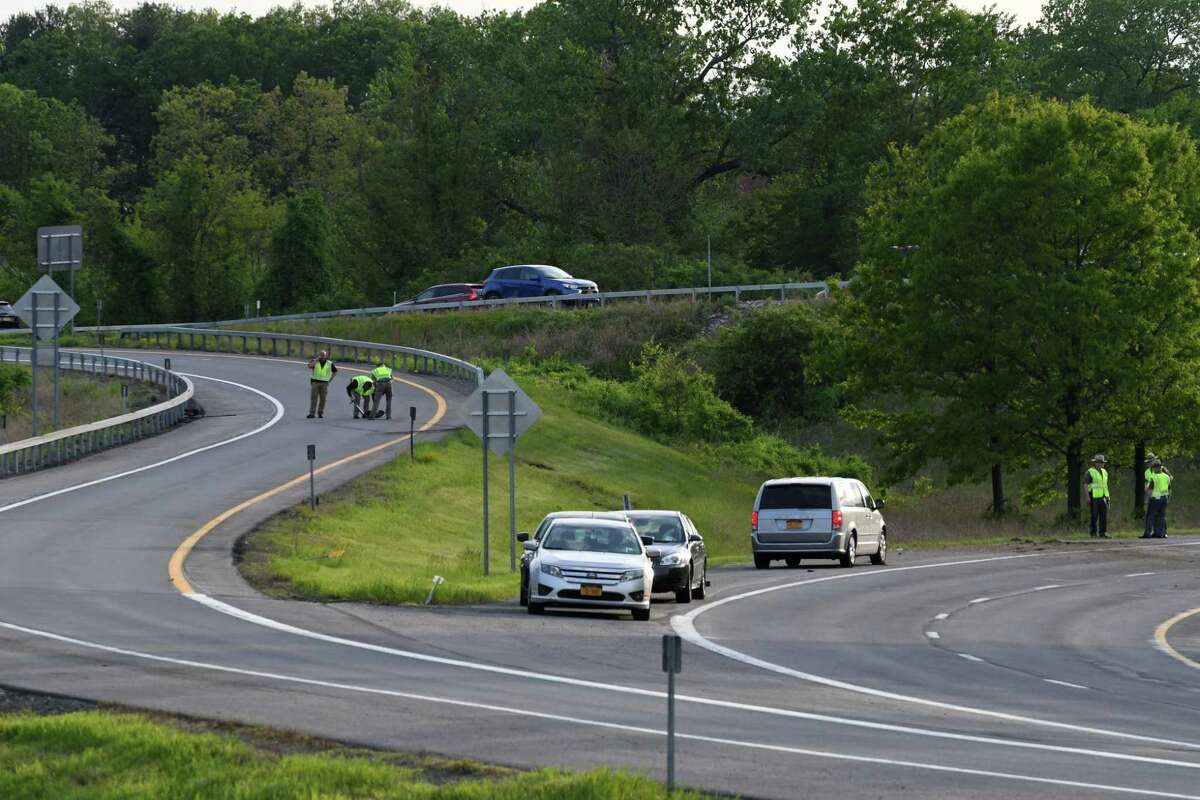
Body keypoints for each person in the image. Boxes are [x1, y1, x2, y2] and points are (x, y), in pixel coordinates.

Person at [1143, 452, 1173, 538]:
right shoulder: (1147, 472)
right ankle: (1155, 532)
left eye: (1151, 461)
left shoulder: (1162, 469)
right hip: (1152, 494)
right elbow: (1146, 483)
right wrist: (1146, 491)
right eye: (1148, 462)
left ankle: (1163, 532)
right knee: (1154, 514)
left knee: (1160, 515)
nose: (1150, 463)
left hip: (1161, 494)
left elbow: (1170, 478)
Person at [1084, 454, 1110, 538]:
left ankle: (1103, 533)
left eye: (1102, 462)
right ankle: (1093, 533)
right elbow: (1085, 484)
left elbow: (1105, 485)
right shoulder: (1090, 471)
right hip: (1093, 496)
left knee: (1103, 515)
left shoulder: (1105, 472)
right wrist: (1087, 497)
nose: (1100, 464)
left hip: (1103, 496)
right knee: (1094, 515)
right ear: (1094, 463)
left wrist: (1108, 497)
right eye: (1098, 462)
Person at [306, 350, 337, 418]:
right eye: (321, 355)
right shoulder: (315, 361)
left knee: (323, 398)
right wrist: (316, 360)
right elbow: (309, 366)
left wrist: (330, 380)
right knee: (314, 398)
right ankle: (312, 413)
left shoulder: (329, 363)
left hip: (324, 383)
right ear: (319, 355)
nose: (322, 356)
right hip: (315, 382)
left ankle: (320, 412)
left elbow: (335, 372)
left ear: (326, 356)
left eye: (323, 355)